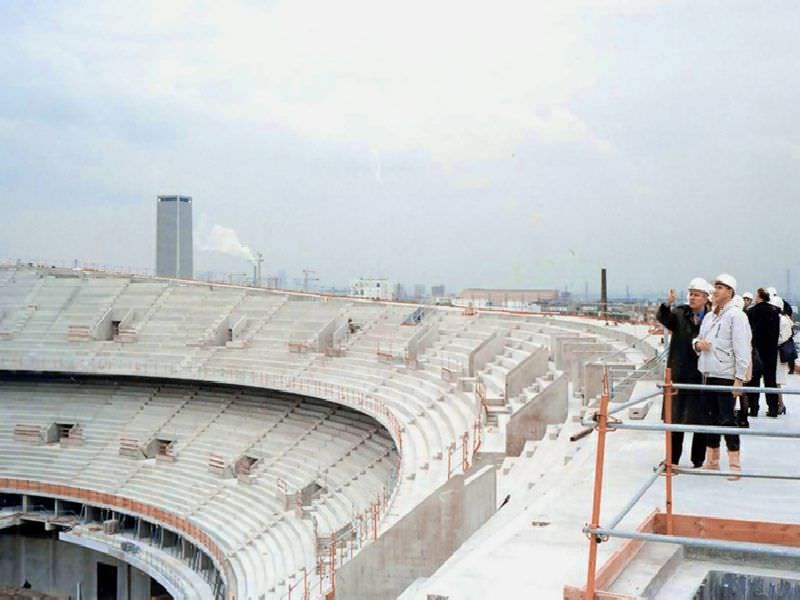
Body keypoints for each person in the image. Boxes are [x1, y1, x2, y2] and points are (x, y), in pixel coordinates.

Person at [694, 273, 752, 480]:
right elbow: (698, 338)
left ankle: (734, 465)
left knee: (727, 420)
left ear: (730, 291)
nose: (715, 290)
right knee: (709, 417)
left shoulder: (737, 316)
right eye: (715, 286)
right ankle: (712, 460)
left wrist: (739, 379)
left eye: (720, 287)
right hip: (708, 373)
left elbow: (742, 348)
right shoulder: (710, 316)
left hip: (726, 375)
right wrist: (698, 345)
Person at [658, 278, 711, 468]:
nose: (692, 298)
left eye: (697, 295)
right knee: (676, 418)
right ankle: (673, 459)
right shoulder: (680, 313)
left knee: (701, 419)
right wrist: (667, 304)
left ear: (706, 298)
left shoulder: (712, 318)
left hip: (702, 373)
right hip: (679, 371)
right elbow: (665, 319)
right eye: (691, 294)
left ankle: (698, 460)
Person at [746, 288, 780, 417]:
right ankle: (773, 408)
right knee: (770, 380)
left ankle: (753, 408)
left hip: (756, 351)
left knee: (754, 380)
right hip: (771, 351)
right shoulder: (774, 311)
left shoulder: (752, 311)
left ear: (759, 297)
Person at [775, 295, 794, 413]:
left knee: (777, 381)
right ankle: (779, 404)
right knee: (776, 382)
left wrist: (772, 342)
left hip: (779, 353)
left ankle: (781, 404)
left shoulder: (784, 320)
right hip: (777, 353)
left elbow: (784, 337)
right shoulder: (782, 319)